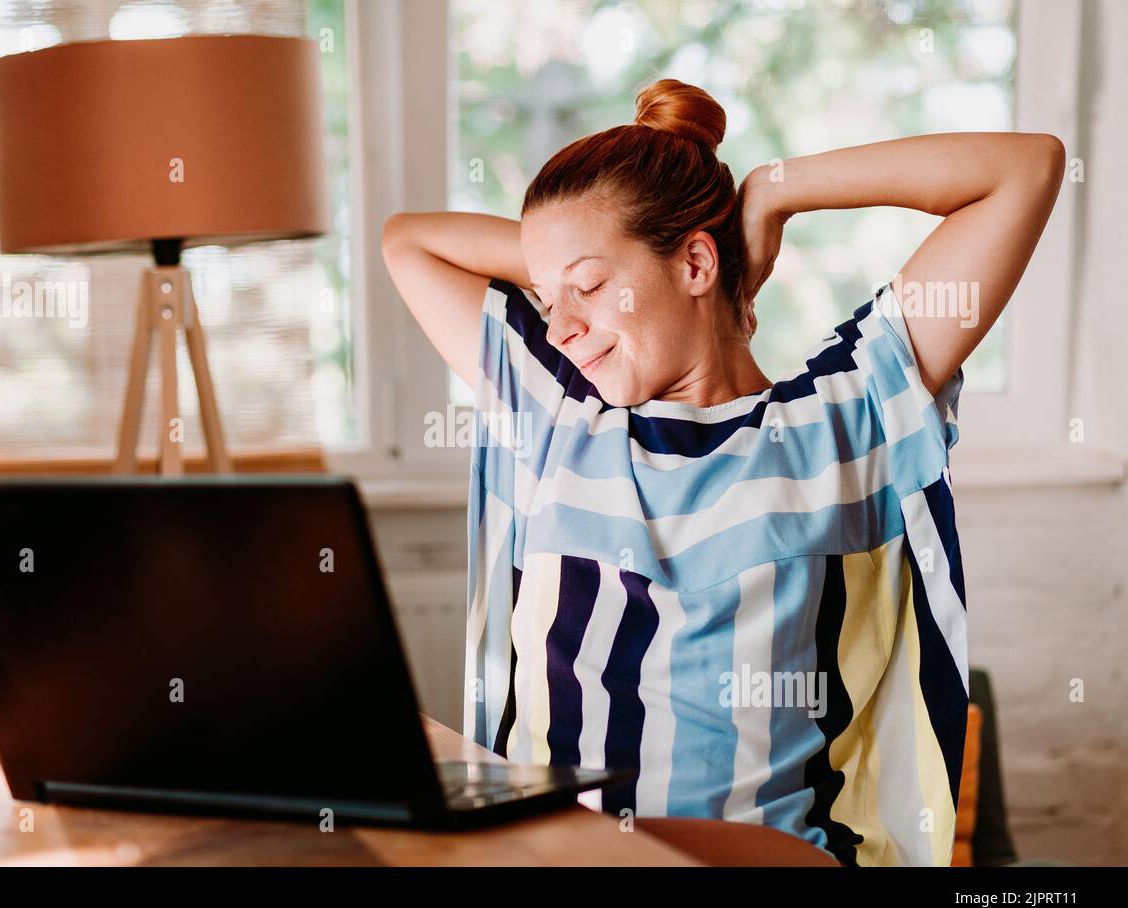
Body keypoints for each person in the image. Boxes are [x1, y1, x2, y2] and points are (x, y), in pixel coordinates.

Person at [380, 78, 1064, 866]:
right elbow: (407, 240)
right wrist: (578, 262)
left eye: (592, 287)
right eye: (545, 295)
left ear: (696, 262)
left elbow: (1024, 168)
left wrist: (773, 193)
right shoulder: (555, 413)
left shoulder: (847, 417)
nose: (561, 328)